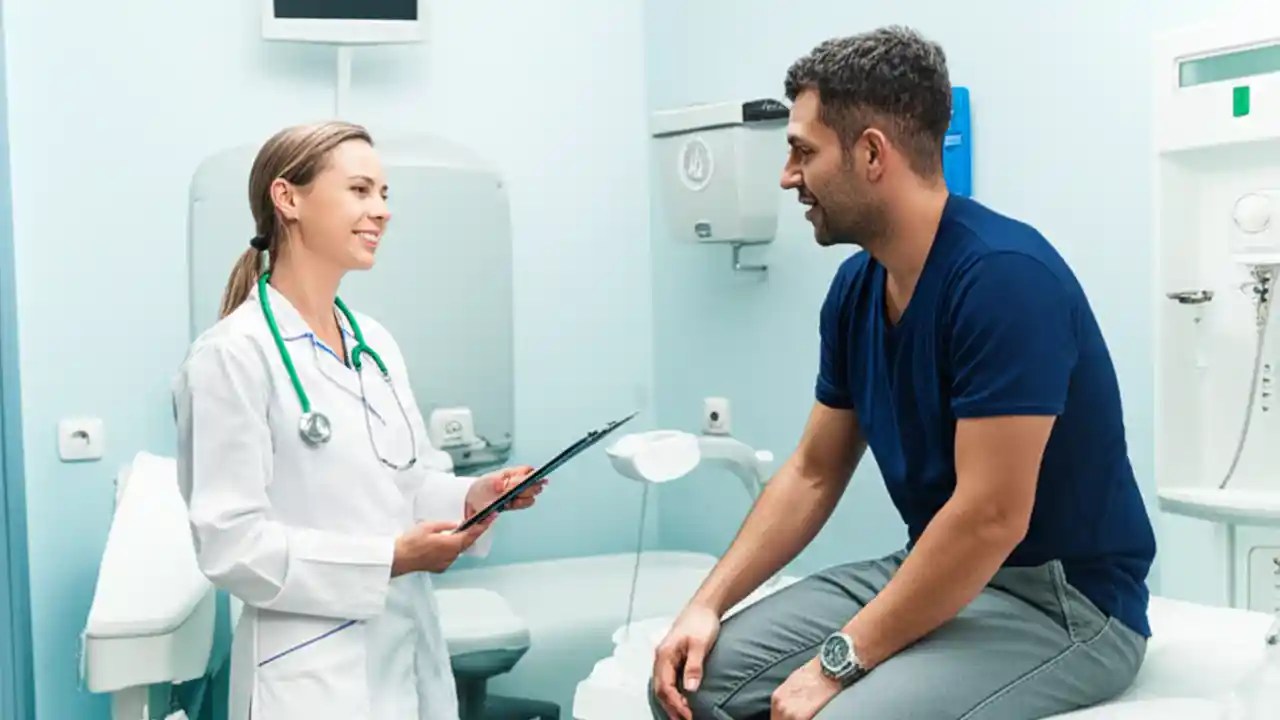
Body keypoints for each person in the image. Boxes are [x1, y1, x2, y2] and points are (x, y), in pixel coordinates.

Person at [650, 26, 1156, 720]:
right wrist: (705, 606)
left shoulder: (1005, 281)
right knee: (688, 684)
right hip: (935, 570)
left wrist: (838, 664)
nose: (786, 175)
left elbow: (989, 518)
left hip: (1061, 602)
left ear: (871, 153)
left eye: (802, 151)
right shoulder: (858, 290)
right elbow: (813, 471)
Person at [172, 120, 545, 720]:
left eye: (385, 194)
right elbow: (230, 545)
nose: (382, 211)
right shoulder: (231, 356)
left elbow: (412, 480)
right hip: (309, 677)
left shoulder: (372, 341)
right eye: (361, 190)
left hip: (406, 651)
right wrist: (390, 559)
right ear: (287, 198)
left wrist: (476, 496)